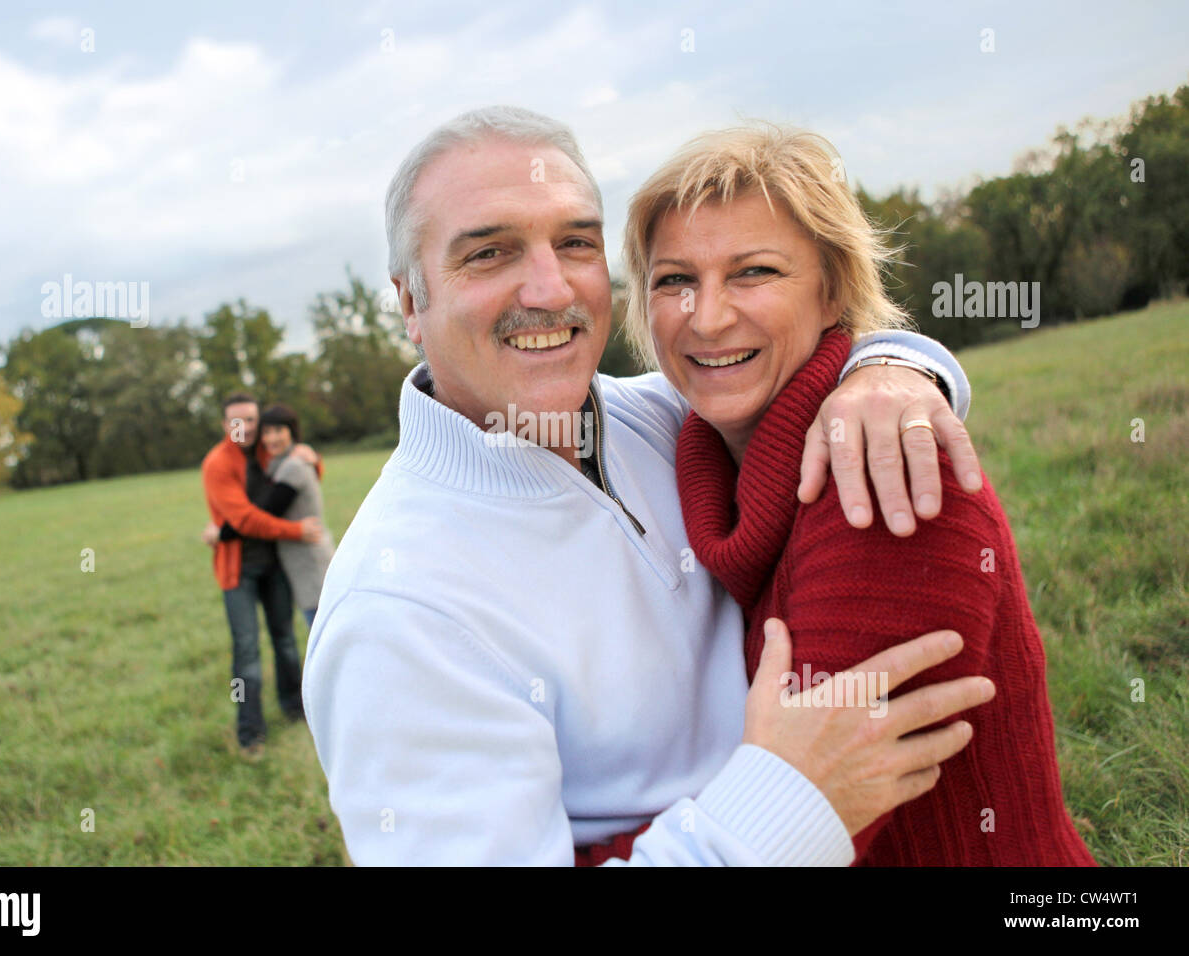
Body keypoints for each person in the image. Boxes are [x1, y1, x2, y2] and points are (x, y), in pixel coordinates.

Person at [301, 105, 995, 866]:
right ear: (410, 301)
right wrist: (787, 802)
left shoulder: (669, 418)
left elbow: (801, 360)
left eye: (575, 242)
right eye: (490, 253)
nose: (549, 289)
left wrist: (893, 368)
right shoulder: (397, 611)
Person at [618, 123, 1096, 865]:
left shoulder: (886, 477)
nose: (706, 317)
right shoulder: (690, 467)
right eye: (674, 280)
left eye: (754, 272)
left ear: (834, 290)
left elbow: (786, 822)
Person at [201, 392, 324, 760]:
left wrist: (314, 458)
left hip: (275, 565)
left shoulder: (268, 451)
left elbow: (300, 479)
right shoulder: (217, 464)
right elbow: (245, 520)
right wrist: (295, 531)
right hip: (238, 570)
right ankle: (250, 731)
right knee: (246, 650)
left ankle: (294, 708)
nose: (246, 428)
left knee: (285, 640)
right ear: (225, 425)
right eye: (236, 421)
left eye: (251, 420)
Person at [206, 403, 336, 631]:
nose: (271, 438)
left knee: (320, 634)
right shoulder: (244, 459)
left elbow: (265, 511)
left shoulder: (288, 462)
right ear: (225, 425)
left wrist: (222, 533)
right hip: (265, 563)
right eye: (267, 432)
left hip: (308, 562)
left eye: (250, 420)